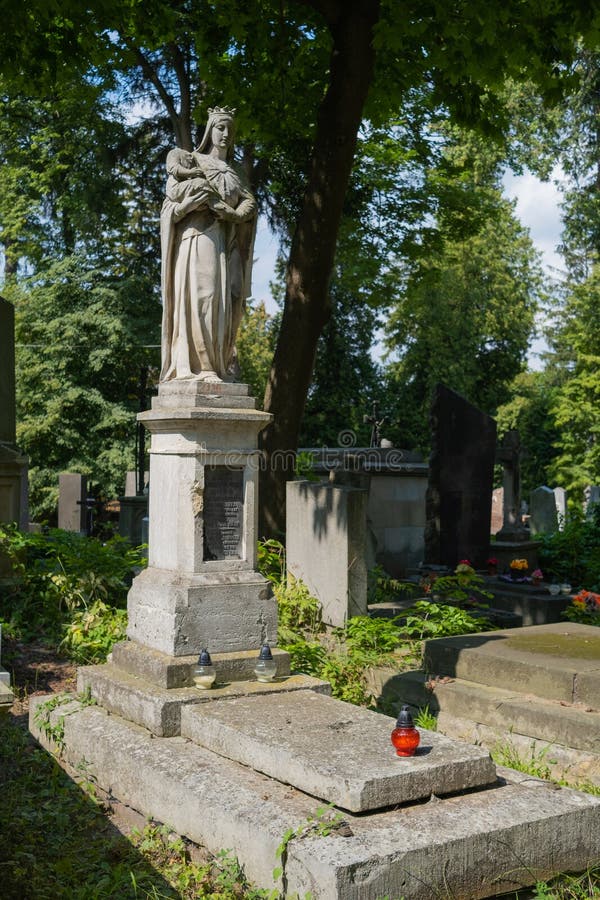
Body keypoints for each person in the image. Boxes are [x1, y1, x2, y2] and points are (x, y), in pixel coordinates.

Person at [160, 107, 257, 382]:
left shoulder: (236, 171)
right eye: (220, 127)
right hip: (197, 237)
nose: (225, 134)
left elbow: (249, 202)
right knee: (204, 296)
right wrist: (190, 203)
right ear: (209, 131)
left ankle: (218, 363)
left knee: (227, 303)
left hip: (225, 241)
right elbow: (171, 197)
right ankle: (204, 366)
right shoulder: (193, 161)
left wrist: (233, 214)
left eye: (230, 129)